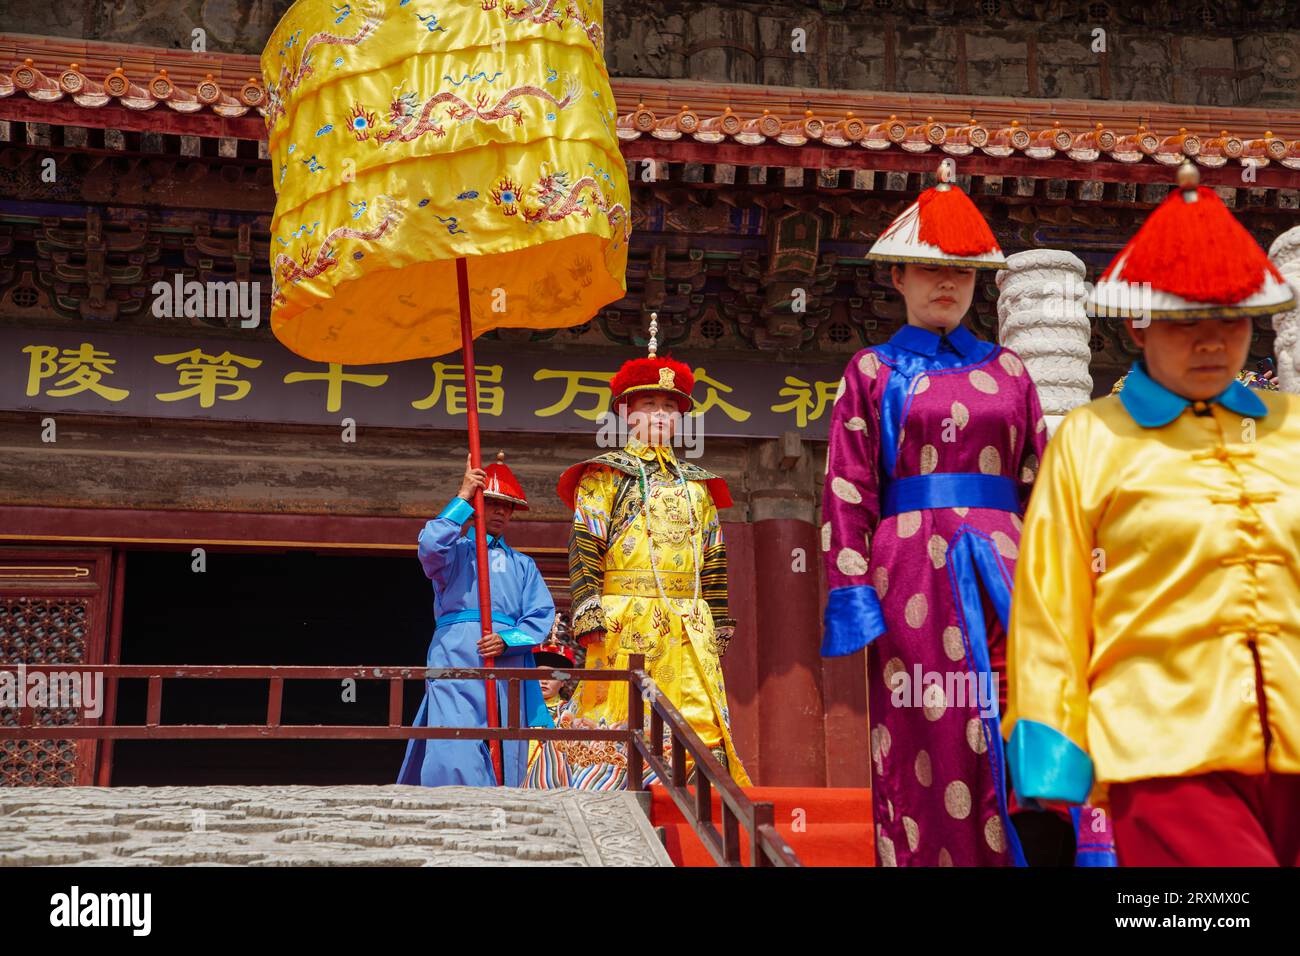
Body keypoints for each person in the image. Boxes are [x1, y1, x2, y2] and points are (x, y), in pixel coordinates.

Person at [1005, 161, 1300, 866]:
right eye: (1186, 319)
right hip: (1165, 748)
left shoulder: (1291, 428)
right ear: (1139, 326)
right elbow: (1051, 606)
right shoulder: (1091, 438)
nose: (1210, 340)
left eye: (1229, 318)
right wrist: (1049, 759)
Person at [821, 158, 1111, 867]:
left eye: (962, 271)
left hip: (1013, 565)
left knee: (1031, 712)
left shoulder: (1011, 370)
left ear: (980, 281)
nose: (946, 283)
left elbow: (1041, 478)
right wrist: (854, 592)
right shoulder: (872, 370)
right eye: (930, 270)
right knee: (937, 728)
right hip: (914, 575)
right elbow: (846, 487)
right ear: (899, 278)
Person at [554, 316, 751, 789]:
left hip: (688, 621)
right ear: (625, 412)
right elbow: (585, 543)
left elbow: (714, 557)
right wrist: (589, 610)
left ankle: (697, 802)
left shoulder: (699, 485)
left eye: (669, 406)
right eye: (648, 405)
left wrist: (718, 618)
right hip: (626, 618)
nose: (659, 415)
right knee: (623, 713)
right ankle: (609, 795)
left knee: (697, 714)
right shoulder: (604, 476)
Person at [397, 451, 556, 788]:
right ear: (477, 505)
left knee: (507, 743)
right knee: (453, 740)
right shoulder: (455, 552)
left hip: (506, 662)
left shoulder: (524, 565)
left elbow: (540, 615)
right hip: (456, 653)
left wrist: (509, 640)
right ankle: (452, 806)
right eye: (492, 502)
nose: (500, 511)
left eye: (507, 506)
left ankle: (502, 809)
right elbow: (428, 545)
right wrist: (463, 495)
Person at [525, 623, 576, 789]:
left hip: (551, 779)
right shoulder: (518, 707)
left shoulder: (568, 711)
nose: (544, 681)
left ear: (562, 682)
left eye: (551, 676)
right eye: (539, 675)